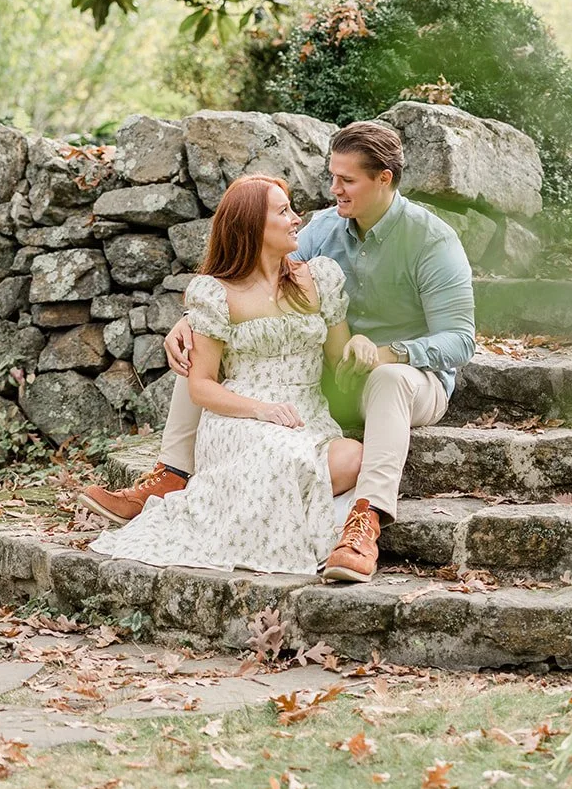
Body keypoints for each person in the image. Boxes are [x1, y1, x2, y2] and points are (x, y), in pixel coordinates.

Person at [80, 120, 475, 582]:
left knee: (388, 380)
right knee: (201, 355)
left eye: (346, 180)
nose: (334, 189)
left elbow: (460, 339)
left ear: (383, 178)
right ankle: (172, 472)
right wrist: (191, 322)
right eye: (333, 176)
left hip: (406, 378)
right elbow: (258, 274)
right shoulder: (326, 228)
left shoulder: (430, 239)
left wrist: (389, 352)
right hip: (336, 371)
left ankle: (365, 521)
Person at [86, 175, 363, 575]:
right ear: (252, 227)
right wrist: (261, 410)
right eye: (283, 211)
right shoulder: (216, 293)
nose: (296, 219)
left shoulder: (318, 278)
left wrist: (363, 351)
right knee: (281, 451)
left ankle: (251, 514)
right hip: (240, 415)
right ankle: (235, 517)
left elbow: (340, 361)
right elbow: (200, 386)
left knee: (352, 457)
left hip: (308, 415)